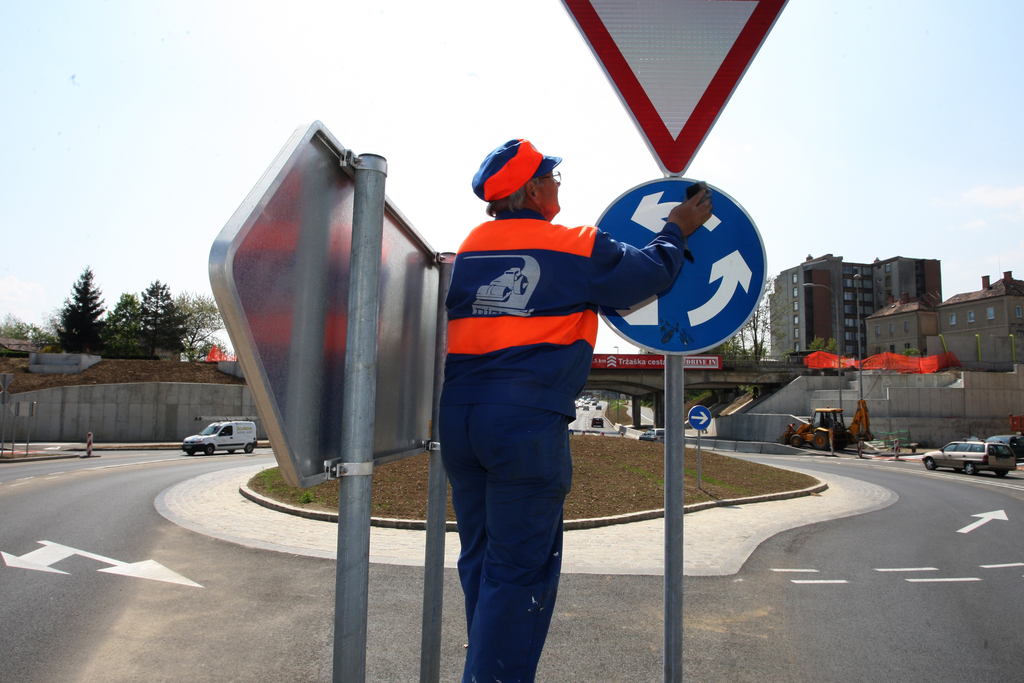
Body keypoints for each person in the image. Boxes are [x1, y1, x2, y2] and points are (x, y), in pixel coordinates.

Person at [439, 138, 711, 683]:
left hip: (461, 420)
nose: (559, 185)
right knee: (520, 574)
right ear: (533, 188)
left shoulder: (472, 246)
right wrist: (677, 227)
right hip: (524, 423)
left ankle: (484, 664)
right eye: (553, 176)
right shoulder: (574, 244)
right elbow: (644, 277)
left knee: (482, 559)